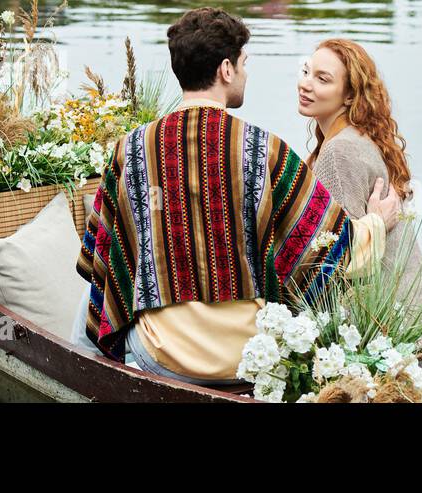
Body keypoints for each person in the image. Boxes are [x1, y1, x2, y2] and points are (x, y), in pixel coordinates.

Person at [73, 8, 402, 385]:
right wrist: (376, 222)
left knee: (99, 287)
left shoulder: (131, 150)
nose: (245, 73)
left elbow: (99, 255)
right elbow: (327, 245)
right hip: (249, 360)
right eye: (244, 63)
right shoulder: (265, 151)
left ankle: (79, 378)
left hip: (161, 356)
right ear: (226, 70)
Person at [296, 39, 422, 347]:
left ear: (349, 96)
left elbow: (338, 257)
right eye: (307, 71)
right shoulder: (354, 135)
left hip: (388, 327)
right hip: (413, 314)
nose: (305, 84)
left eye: (322, 79)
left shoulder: (339, 151)